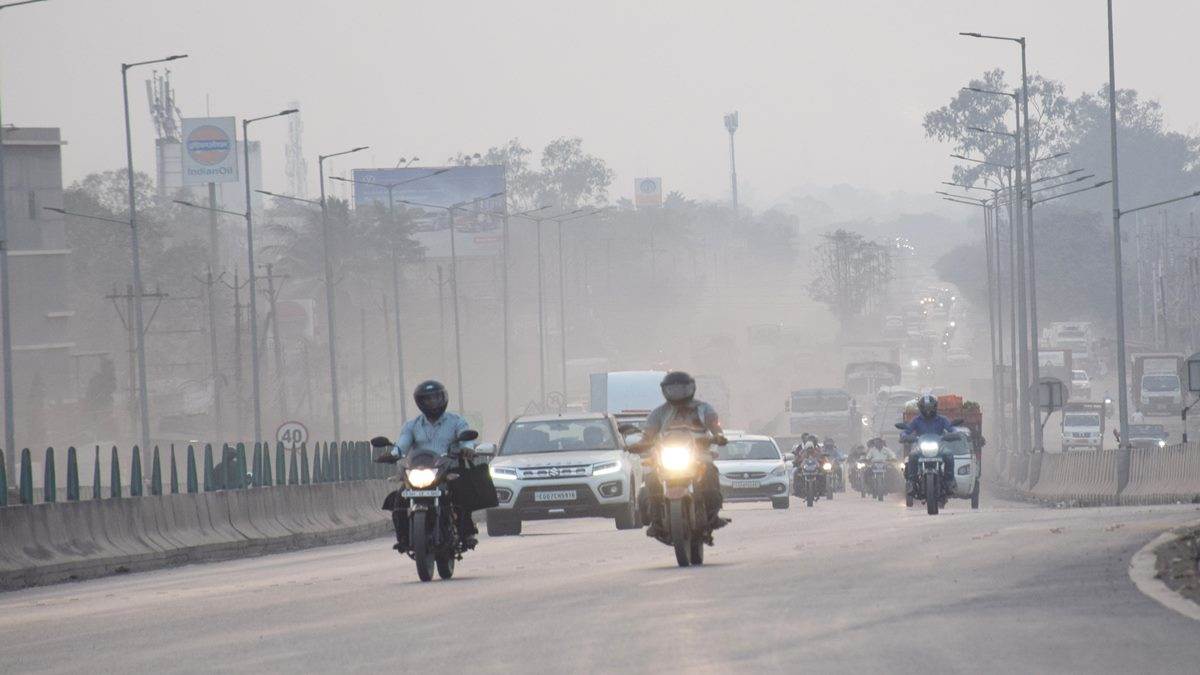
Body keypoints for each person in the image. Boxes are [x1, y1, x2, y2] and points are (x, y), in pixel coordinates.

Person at [380, 380, 479, 550]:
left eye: (436, 398)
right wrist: (392, 454)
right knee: (399, 498)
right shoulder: (412, 425)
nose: (433, 402)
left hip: (447, 469)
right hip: (420, 470)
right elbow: (402, 445)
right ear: (420, 402)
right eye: (428, 399)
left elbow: (466, 439)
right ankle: (403, 537)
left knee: (462, 492)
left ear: (443, 398)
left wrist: (467, 450)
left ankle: (467, 531)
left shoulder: (456, 421)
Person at [636, 371, 728, 538]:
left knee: (710, 473)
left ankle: (712, 515)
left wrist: (718, 436)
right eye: (673, 389)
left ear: (690, 389)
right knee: (650, 478)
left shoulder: (703, 408)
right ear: (665, 391)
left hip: (698, 453)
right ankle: (656, 521)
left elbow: (715, 426)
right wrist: (639, 444)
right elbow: (648, 435)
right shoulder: (658, 413)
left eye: (681, 389)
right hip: (666, 455)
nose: (677, 393)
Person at [900, 394, 955, 490]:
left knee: (949, 455)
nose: (928, 411)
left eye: (930, 408)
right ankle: (912, 483)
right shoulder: (916, 420)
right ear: (920, 408)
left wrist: (954, 434)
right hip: (920, 448)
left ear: (935, 407)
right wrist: (904, 436)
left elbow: (951, 429)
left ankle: (949, 481)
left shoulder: (942, 419)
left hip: (939, 447)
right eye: (925, 408)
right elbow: (907, 431)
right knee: (912, 456)